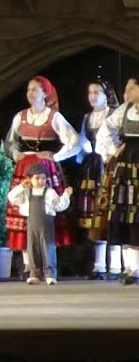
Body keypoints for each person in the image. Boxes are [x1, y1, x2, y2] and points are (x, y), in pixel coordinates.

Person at [3, 76, 79, 269]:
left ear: (45, 93)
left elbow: (73, 141)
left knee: (47, 210)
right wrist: (17, 155)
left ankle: (47, 261)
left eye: (35, 90)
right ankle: (28, 264)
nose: (30, 93)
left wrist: (56, 156)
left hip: (46, 168)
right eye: (29, 90)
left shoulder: (54, 117)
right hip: (25, 168)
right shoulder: (20, 117)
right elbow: (9, 142)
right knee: (23, 211)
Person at [93, 77, 139, 283]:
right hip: (125, 165)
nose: (126, 93)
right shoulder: (124, 110)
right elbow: (106, 130)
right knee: (124, 214)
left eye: (131, 88)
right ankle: (131, 267)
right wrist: (113, 151)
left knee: (136, 215)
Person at [77, 79, 120, 279]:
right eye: (90, 92)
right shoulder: (87, 118)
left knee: (113, 212)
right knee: (96, 215)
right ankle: (99, 265)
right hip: (94, 168)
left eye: (97, 92)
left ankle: (117, 265)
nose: (93, 96)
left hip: (111, 165)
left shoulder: (114, 114)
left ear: (106, 95)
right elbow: (81, 142)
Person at [6, 163, 72, 284]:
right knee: (33, 248)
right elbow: (11, 197)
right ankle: (35, 274)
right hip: (32, 225)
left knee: (48, 248)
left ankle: (50, 274)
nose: (40, 181)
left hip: (47, 224)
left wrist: (66, 195)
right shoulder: (26, 193)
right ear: (29, 179)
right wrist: (21, 186)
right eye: (37, 178)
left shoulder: (50, 192)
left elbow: (59, 206)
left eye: (43, 178)